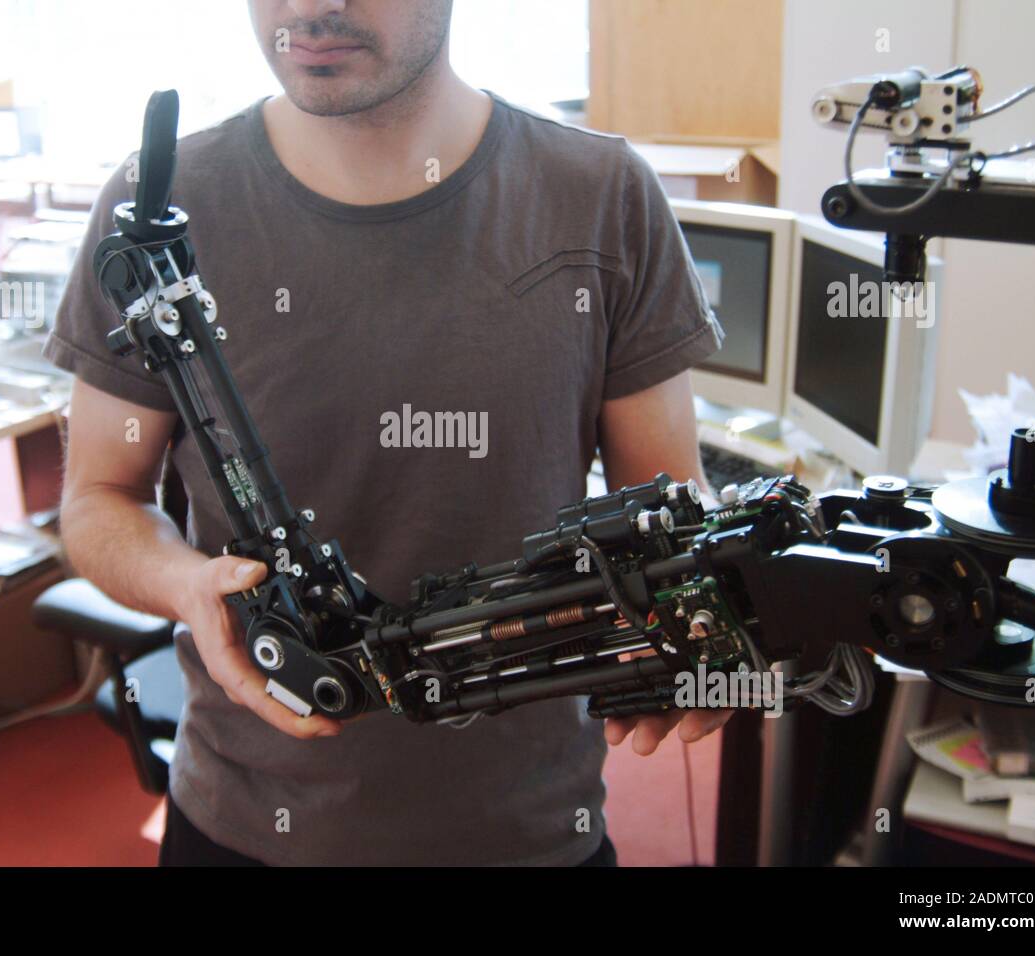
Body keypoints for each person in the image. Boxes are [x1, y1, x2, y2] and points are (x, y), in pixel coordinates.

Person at [46, 0, 729, 866]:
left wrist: (698, 616)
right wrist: (189, 587)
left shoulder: (599, 194)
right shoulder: (158, 207)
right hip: (247, 826)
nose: (308, 8)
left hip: (530, 830)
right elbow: (101, 497)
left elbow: (668, 503)